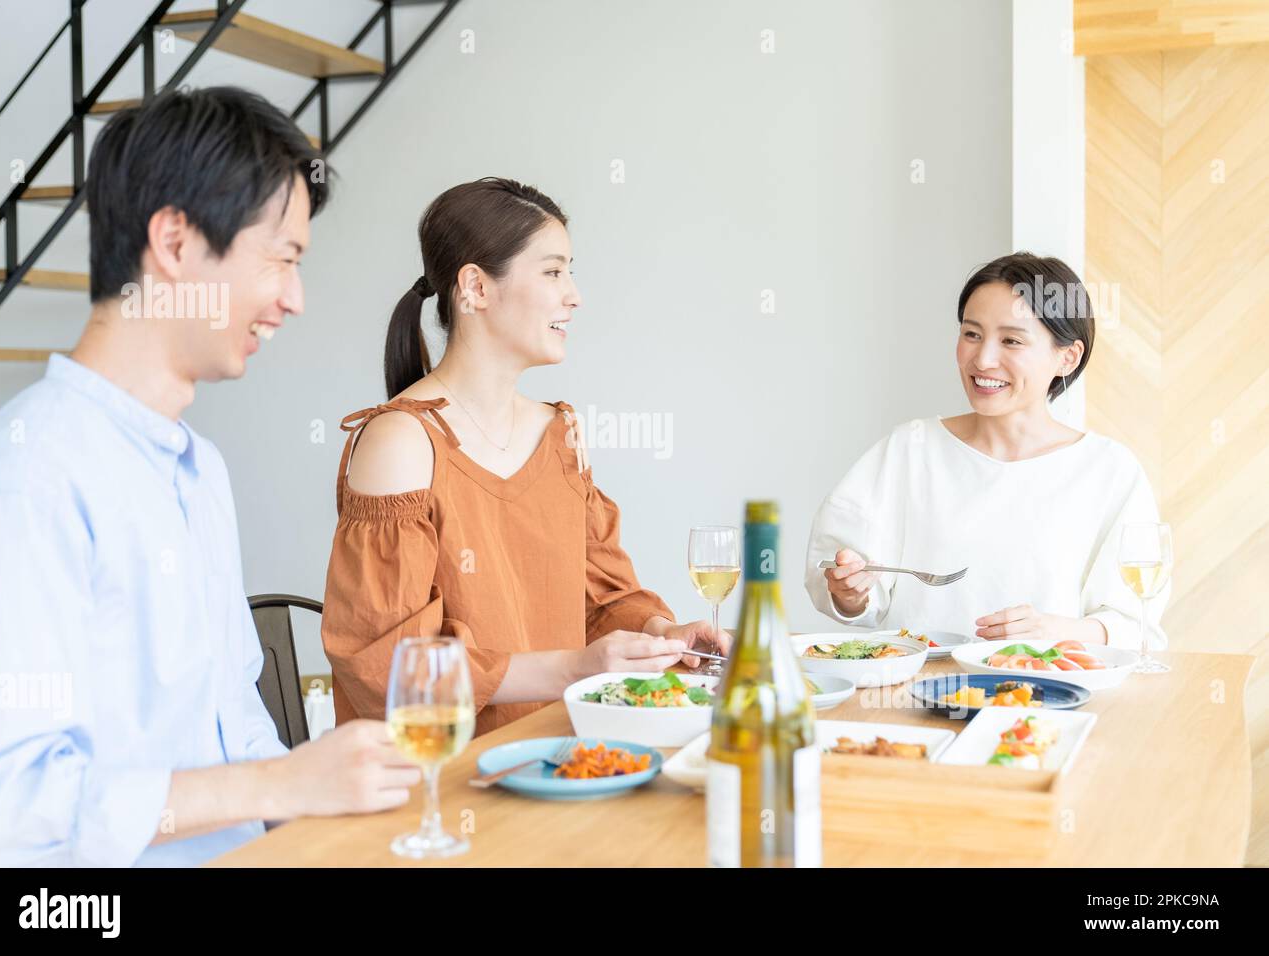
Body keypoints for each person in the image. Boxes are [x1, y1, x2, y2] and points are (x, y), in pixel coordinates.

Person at [0, 87, 417, 867]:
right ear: (174, 244)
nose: (293, 299)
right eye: (281, 258)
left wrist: (323, 805)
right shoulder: (27, 477)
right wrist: (282, 784)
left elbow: (233, 719)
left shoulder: (198, 470)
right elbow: (6, 812)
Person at [322, 177, 729, 735]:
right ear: (476, 287)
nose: (574, 294)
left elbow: (602, 600)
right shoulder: (400, 443)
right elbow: (391, 669)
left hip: (567, 759)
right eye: (553, 271)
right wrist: (572, 669)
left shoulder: (560, 434)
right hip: (447, 784)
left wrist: (660, 633)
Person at [805, 252, 1170, 649]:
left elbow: (1136, 621)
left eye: (1011, 340)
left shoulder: (1108, 471)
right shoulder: (910, 450)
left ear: (1067, 357)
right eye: (971, 334)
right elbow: (845, 584)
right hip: (918, 697)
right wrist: (851, 594)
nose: (983, 359)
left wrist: (1054, 631)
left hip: (1049, 699)